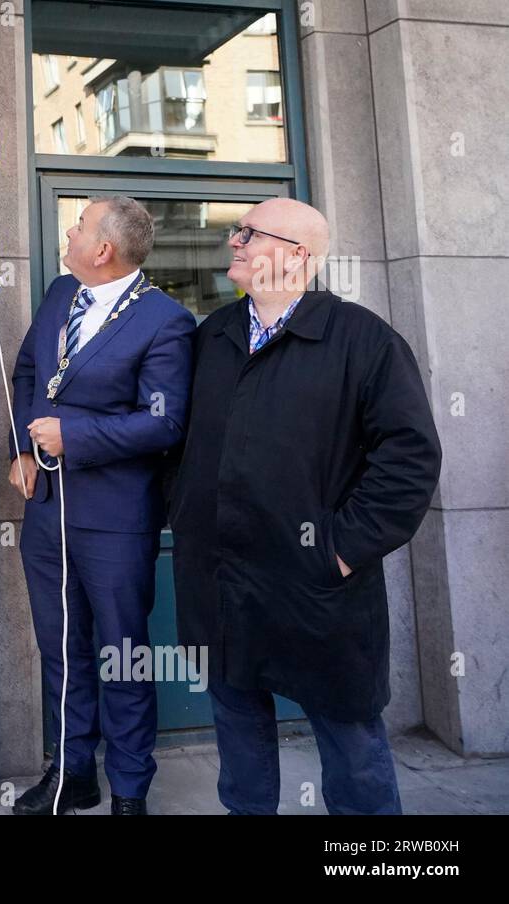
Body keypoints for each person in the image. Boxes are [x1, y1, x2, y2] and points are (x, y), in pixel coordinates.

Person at [169, 198, 441, 815]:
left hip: (319, 588)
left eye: (248, 233)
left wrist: (340, 551)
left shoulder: (364, 340)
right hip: (220, 583)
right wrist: (186, 514)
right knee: (238, 732)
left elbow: (410, 460)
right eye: (236, 232)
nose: (233, 241)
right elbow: (180, 446)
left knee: (350, 742)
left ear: (296, 256)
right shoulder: (212, 336)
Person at [9, 196, 195, 815]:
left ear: (104, 248)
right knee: (62, 649)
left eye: (81, 225)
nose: (70, 230)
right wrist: (23, 449)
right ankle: (72, 775)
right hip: (46, 509)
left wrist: (75, 437)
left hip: (116, 519)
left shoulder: (166, 320)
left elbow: (163, 423)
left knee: (122, 653)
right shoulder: (61, 292)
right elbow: (28, 373)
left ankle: (131, 791)